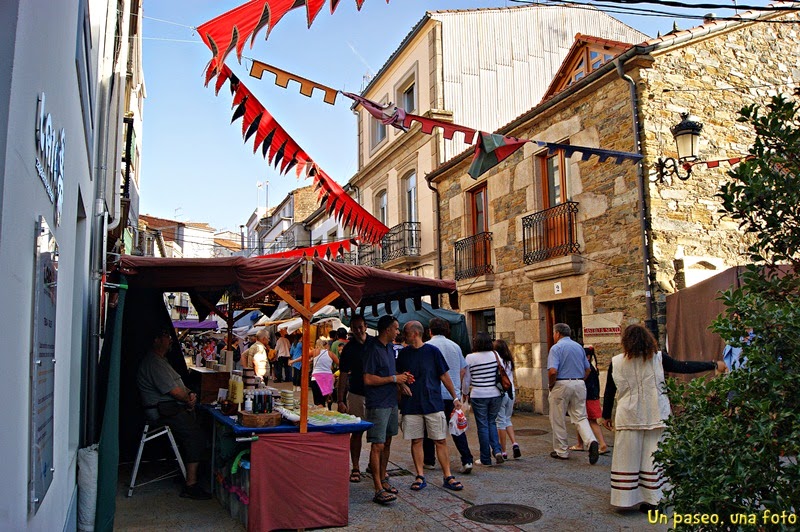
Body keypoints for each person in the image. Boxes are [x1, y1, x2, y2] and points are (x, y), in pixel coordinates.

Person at [600, 324, 726, 511]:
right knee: (654, 457)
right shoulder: (658, 359)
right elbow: (683, 367)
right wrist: (712, 364)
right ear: (647, 339)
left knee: (627, 457)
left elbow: (610, 391)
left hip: (628, 416)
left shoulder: (616, 361)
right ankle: (654, 499)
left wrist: (605, 416)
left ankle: (624, 499)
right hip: (656, 414)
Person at [137, 328, 210, 500]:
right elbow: (175, 392)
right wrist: (188, 399)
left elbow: (180, 388)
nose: (170, 340)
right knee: (195, 435)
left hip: (170, 407)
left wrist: (190, 394)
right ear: (156, 340)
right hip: (162, 411)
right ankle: (190, 484)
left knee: (198, 425)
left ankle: (189, 472)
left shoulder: (161, 361)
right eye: (166, 336)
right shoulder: (154, 363)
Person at [397, 321, 464, 492]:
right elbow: (397, 375)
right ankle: (420, 475)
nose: (403, 335)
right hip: (411, 404)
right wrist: (401, 384)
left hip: (433, 403)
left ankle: (447, 475)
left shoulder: (433, 352)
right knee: (416, 440)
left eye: (406, 332)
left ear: (415, 334)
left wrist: (455, 397)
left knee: (440, 440)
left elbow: (444, 376)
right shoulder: (403, 354)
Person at [363, 315, 409, 505]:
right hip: (378, 403)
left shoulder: (390, 348)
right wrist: (393, 379)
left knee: (388, 442)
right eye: (396, 328)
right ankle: (377, 488)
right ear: (387, 330)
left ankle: (383, 478)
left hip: (391, 401)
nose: (398, 332)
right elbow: (368, 379)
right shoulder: (372, 350)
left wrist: (402, 379)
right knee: (378, 445)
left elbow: (391, 373)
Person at [422, 318, 474, 474]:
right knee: (456, 428)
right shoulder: (455, 346)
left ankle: (429, 460)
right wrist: (456, 385)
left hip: (433, 394)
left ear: (430, 331)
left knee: (429, 428)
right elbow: (463, 369)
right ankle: (467, 460)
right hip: (453, 395)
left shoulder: (427, 347)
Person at [547, 323, 599, 464]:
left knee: (558, 418)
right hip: (579, 383)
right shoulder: (579, 347)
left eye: (554, 333)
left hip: (561, 383)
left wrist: (551, 384)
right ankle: (591, 440)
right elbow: (587, 369)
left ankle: (562, 450)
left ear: (557, 333)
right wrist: (580, 380)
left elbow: (552, 371)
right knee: (580, 417)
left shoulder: (556, 348)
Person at [336, 315, 371, 483]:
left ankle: (374, 465)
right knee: (357, 433)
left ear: (365, 326)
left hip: (375, 395)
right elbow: (342, 375)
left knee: (378, 434)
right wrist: (340, 399)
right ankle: (356, 467)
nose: (358, 330)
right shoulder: (349, 349)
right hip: (356, 393)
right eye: (355, 328)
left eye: (360, 327)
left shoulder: (375, 344)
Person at [462, 332, 504, 466]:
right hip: (495, 393)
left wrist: (464, 393)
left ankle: (485, 458)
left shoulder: (469, 358)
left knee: (482, 426)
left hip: (479, 394)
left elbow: (467, 379)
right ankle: (497, 450)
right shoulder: (495, 355)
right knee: (492, 422)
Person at [569, 345, 608, 455]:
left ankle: (602, 444)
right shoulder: (591, 367)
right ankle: (580, 444)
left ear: (587, 356)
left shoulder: (587, 369)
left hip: (588, 398)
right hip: (592, 397)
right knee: (579, 419)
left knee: (590, 421)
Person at [494, 339, 521, 460]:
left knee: (500, 422)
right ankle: (514, 443)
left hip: (501, 393)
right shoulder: (509, 362)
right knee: (507, 419)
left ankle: (503, 451)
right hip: (511, 392)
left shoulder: (497, 362)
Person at [310, 337, 338, 407]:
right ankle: (327, 409)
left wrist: (293, 361)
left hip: (316, 378)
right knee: (325, 400)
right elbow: (341, 365)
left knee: (319, 402)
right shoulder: (331, 354)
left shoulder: (315, 351)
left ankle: (321, 415)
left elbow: (303, 357)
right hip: (327, 378)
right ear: (327, 345)